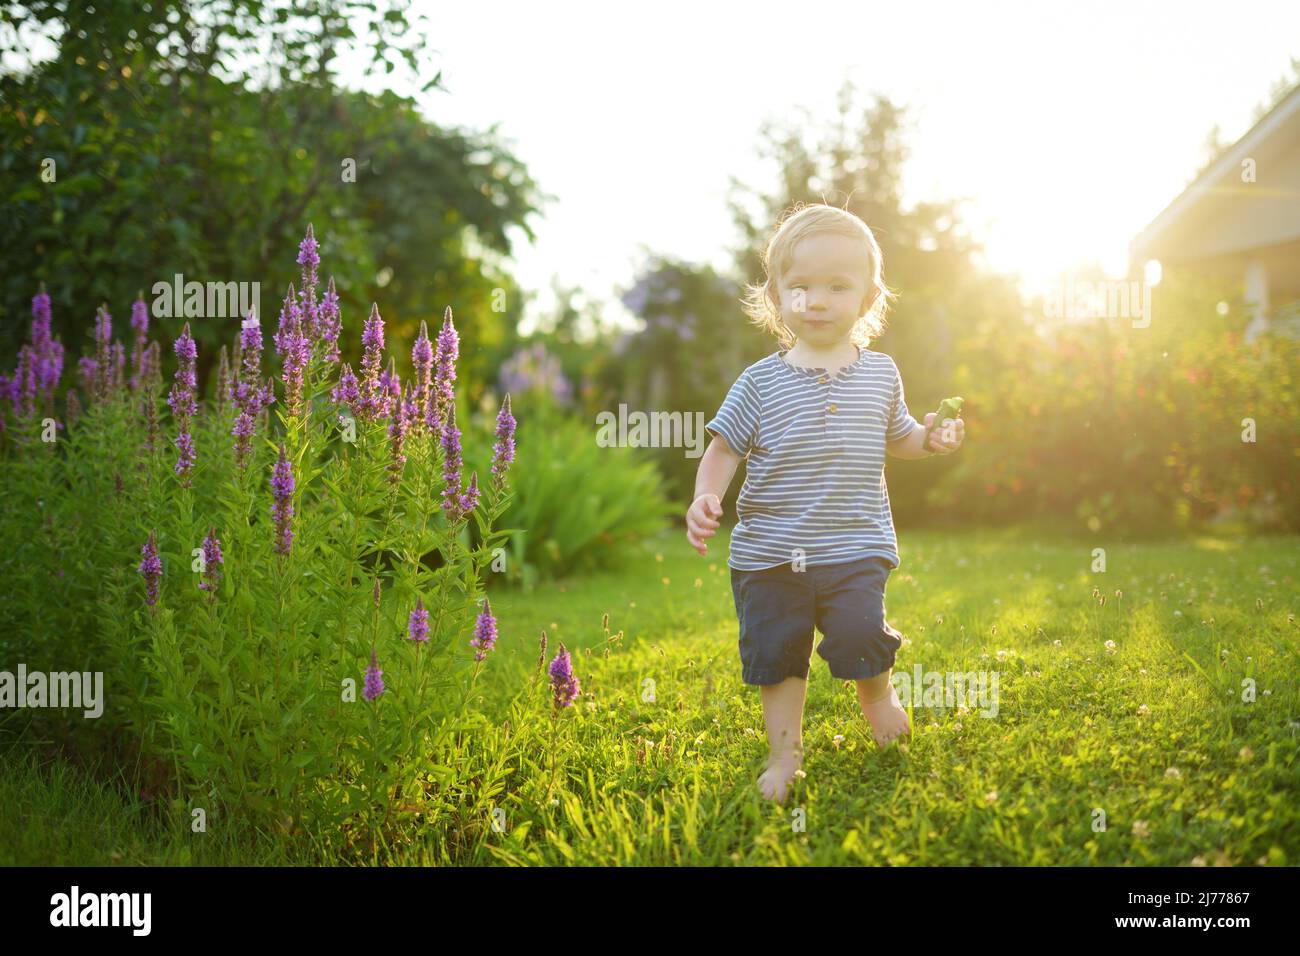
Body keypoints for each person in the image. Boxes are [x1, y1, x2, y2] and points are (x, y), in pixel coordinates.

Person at [686, 202, 965, 803]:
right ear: (776, 295)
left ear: (868, 298)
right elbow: (722, 450)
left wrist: (932, 441)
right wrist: (706, 497)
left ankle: (878, 695)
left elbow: (902, 439)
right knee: (778, 657)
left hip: (856, 544)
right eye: (800, 287)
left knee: (861, 631)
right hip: (769, 556)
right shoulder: (759, 382)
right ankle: (785, 756)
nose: (816, 300)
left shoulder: (882, 374)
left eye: (838, 286)